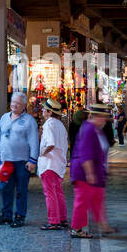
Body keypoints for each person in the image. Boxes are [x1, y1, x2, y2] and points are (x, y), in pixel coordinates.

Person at [0, 90, 38, 227]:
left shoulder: (29, 121)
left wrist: (32, 160)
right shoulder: (4, 117)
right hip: (5, 160)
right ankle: (6, 215)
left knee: (21, 190)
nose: (15, 105)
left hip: (22, 162)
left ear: (24, 105)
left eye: (18, 103)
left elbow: (34, 141)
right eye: (13, 102)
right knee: (5, 188)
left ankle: (20, 216)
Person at [70, 104, 113, 239]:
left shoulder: (95, 129)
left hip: (95, 172)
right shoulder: (89, 129)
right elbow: (86, 153)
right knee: (82, 200)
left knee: (97, 198)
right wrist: (90, 173)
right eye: (103, 117)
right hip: (85, 173)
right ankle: (76, 228)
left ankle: (103, 225)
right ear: (95, 116)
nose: (105, 121)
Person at [38, 98, 69, 230]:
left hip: (49, 164)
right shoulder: (60, 125)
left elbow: (51, 144)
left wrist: (42, 154)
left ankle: (54, 221)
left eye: (45, 109)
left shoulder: (49, 124)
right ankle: (62, 218)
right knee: (58, 192)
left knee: (50, 193)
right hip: (58, 163)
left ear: (50, 112)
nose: (42, 111)